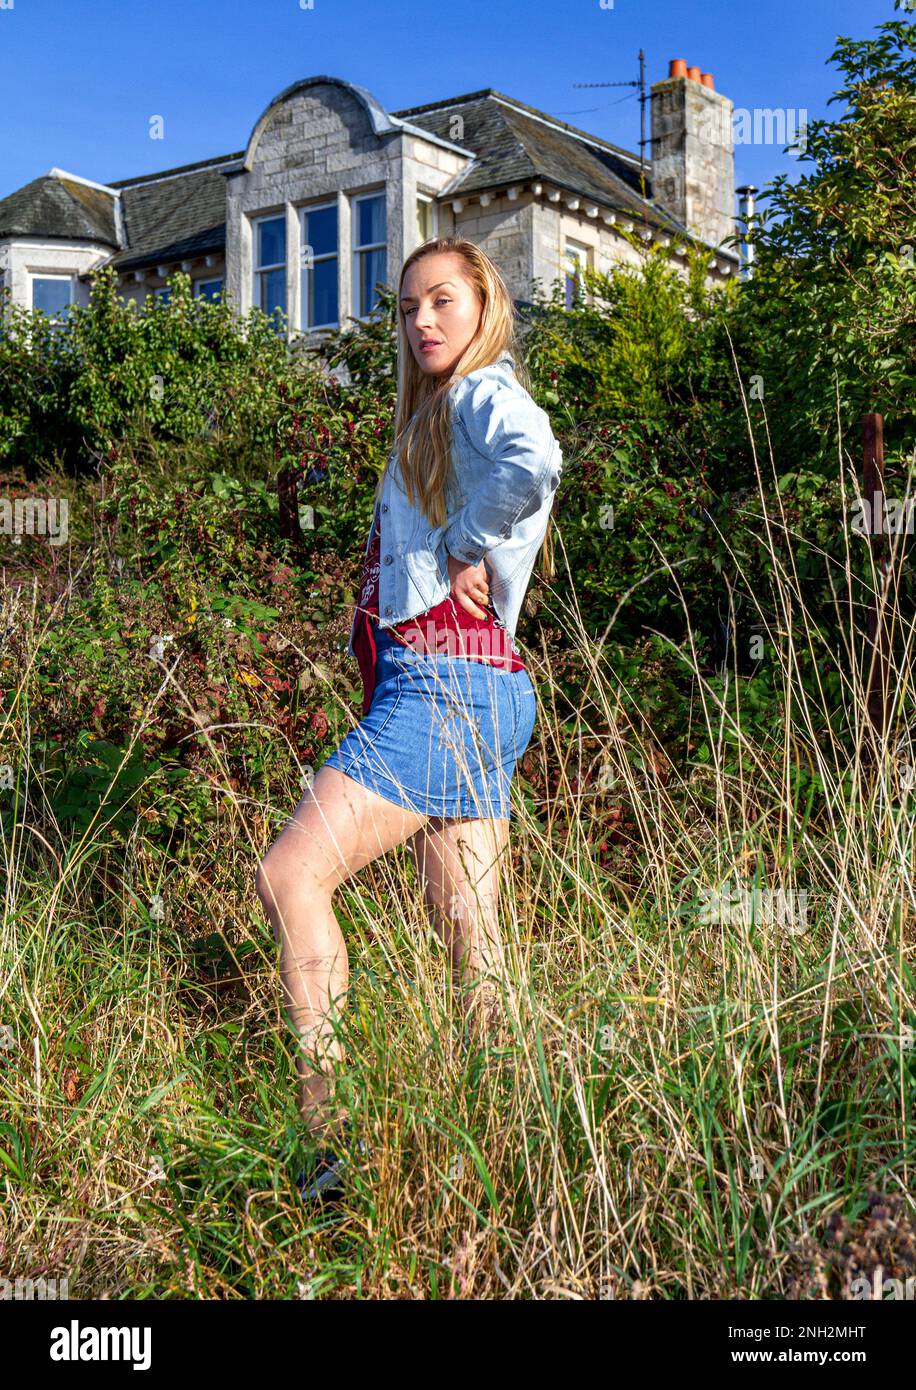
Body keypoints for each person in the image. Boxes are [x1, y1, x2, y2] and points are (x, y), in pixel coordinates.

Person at [256, 235, 563, 1200]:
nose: (423, 321)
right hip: (489, 690)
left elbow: (538, 456)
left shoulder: (478, 396)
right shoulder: (442, 413)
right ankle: (518, 1153)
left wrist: (470, 544)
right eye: (407, 308)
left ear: (484, 307)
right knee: (471, 935)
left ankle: (325, 1143)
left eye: (442, 301)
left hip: (440, 690)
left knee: (291, 873)